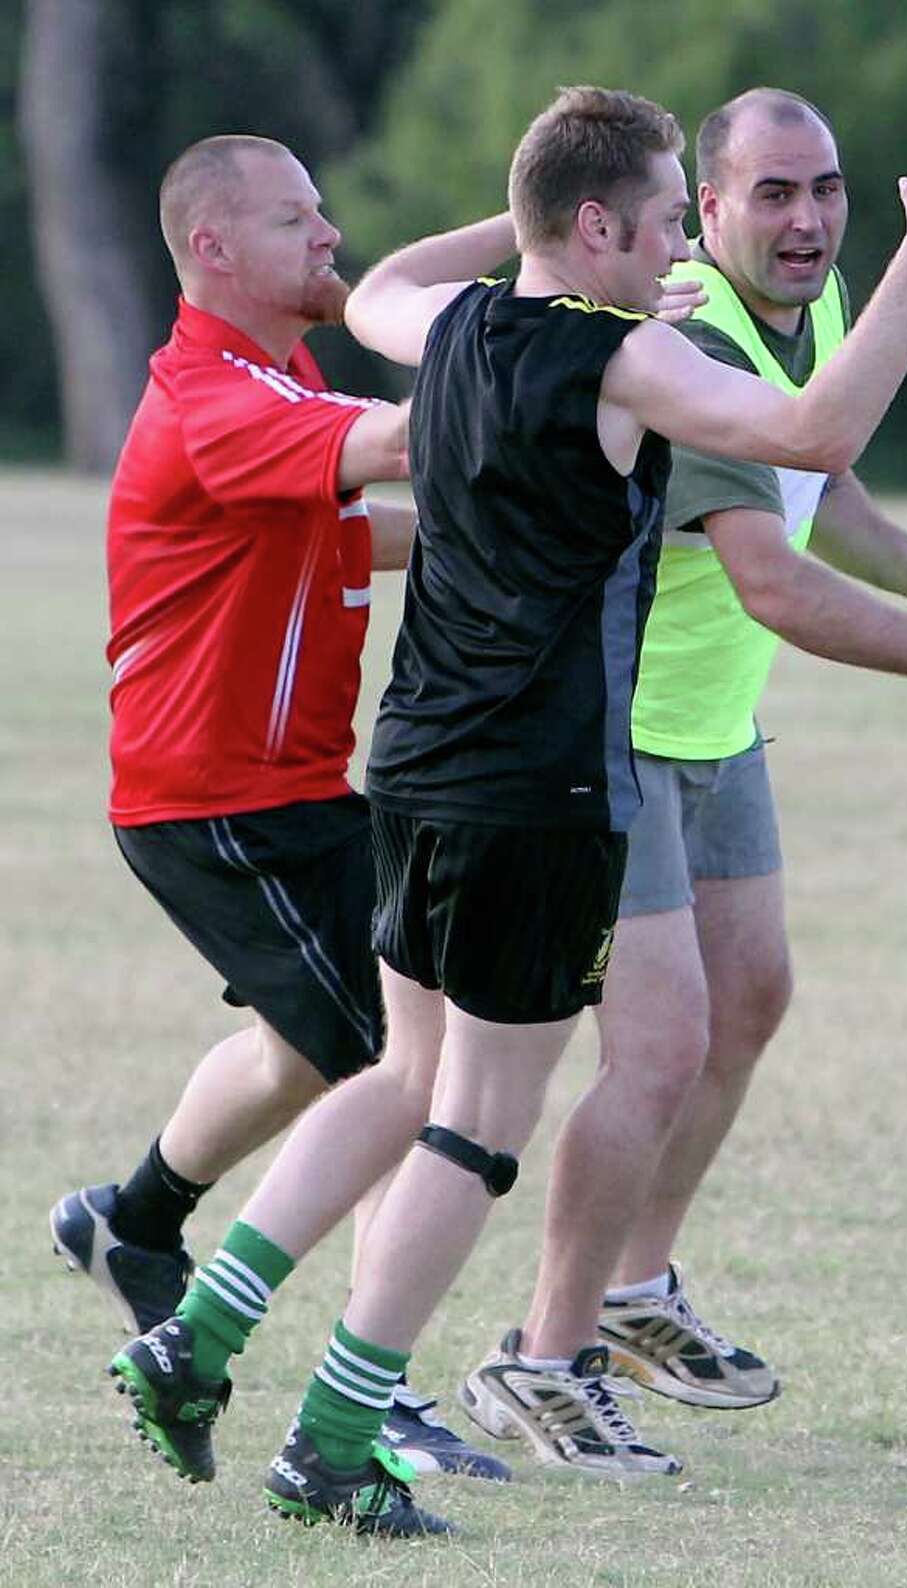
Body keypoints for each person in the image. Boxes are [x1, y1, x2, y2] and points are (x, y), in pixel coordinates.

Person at [105, 86, 907, 1537]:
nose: (684, 249)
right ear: (602, 227)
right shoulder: (627, 362)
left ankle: (199, 1337)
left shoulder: (454, 328)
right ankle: (336, 1438)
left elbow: (385, 286)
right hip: (538, 787)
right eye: (673, 218)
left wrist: (525, 217)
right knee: (474, 1130)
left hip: (411, 768)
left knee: (407, 1078)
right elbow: (814, 432)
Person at [456, 89, 907, 1467]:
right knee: (655, 1049)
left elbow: (817, 475)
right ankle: (541, 1359)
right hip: (611, 737)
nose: (808, 220)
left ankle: (633, 1292)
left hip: (713, 726)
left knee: (751, 998)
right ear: (710, 210)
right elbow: (772, 582)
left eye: (826, 189)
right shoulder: (685, 333)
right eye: (773, 194)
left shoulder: (810, 303)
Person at [49, 132, 510, 1484]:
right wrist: (557, 337)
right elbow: (404, 440)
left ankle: (134, 1224)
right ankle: (379, 1389)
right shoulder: (217, 398)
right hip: (221, 801)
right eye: (295, 217)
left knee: (310, 1047)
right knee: (401, 1062)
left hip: (277, 791)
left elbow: (354, 525)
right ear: (213, 248)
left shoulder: (277, 378)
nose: (329, 234)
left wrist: (537, 523)